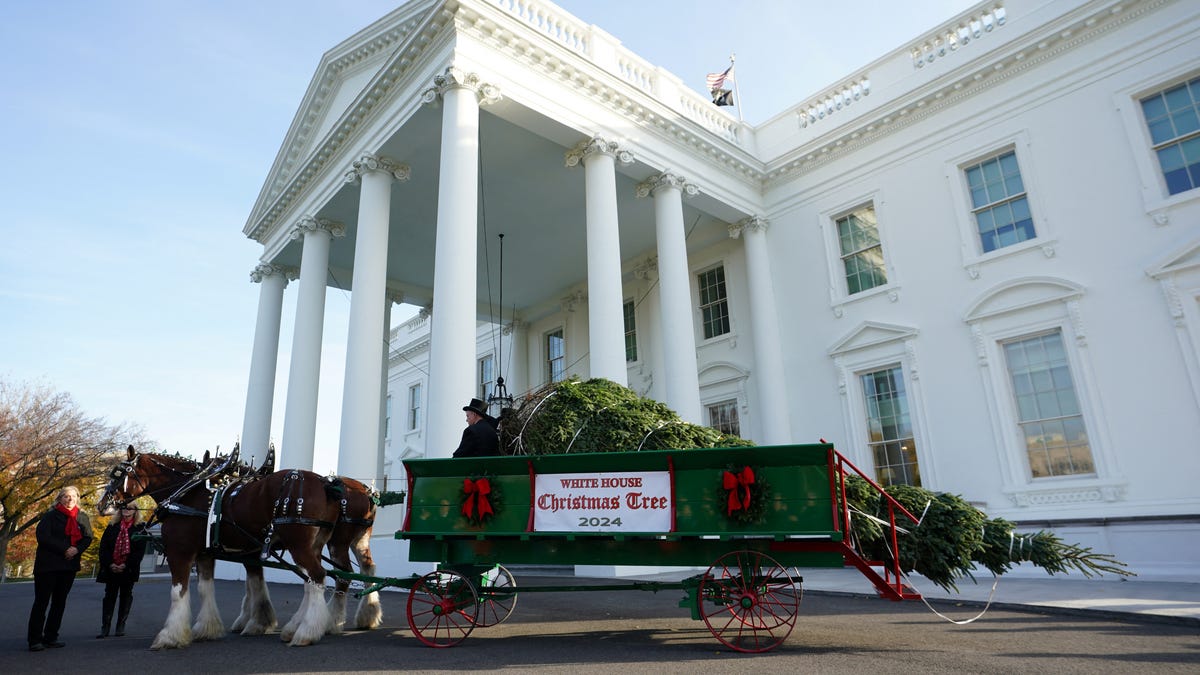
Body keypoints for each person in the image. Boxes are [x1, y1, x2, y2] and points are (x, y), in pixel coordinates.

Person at [27, 485, 94, 652]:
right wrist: (65, 548)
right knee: (41, 602)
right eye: (66, 496)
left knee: (59, 602)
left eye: (73, 496)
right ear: (60, 498)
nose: (70, 499)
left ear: (77, 498)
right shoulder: (50, 516)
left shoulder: (82, 517)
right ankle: (35, 639)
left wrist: (76, 549)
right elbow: (43, 537)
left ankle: (51, 637)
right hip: (48, 566)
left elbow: (87, 537)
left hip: (68, 566)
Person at [95, 504, 148, 638]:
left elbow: (139, 551)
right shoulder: (112, 526)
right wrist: (110, 564)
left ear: (136, 510)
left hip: (128, 569)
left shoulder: (140, 528)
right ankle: (105, 627)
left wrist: (125, 564)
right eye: (124, 507)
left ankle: (120, 626)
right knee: (109, 596)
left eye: (130, 508)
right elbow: (104, 548)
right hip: (111, 568)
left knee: (126, 595)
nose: (126, 510)